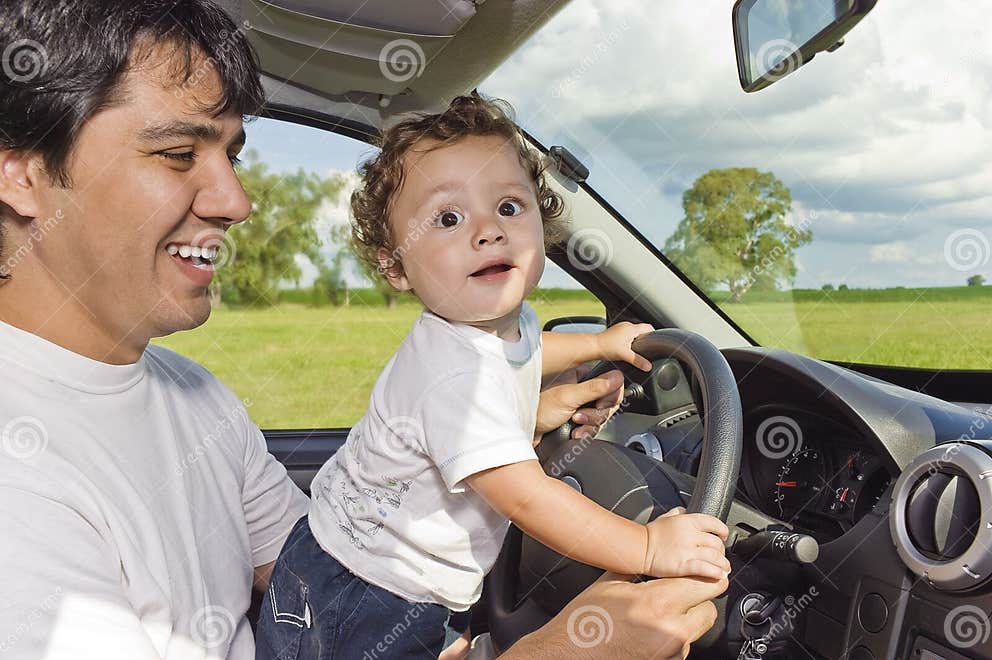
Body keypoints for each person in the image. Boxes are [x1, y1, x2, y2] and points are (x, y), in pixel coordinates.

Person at [0, 1, 726, 658]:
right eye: (178, 154)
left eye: (234, 156)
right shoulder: (18, 486)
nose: (236, 200)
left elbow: (310, 571)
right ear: (23, 173)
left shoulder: (192, 394)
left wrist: (499, 423)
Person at [254, 96, 731, 660]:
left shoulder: (495, 326)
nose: (487, 231)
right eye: (449, 219)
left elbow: (532, 347)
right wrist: (646, 546)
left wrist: (601, 343)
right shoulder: (454, 374)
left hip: (363, 570)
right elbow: (528, 500)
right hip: (361, 593)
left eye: (508, 206)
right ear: (395, 265)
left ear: (540, 220)